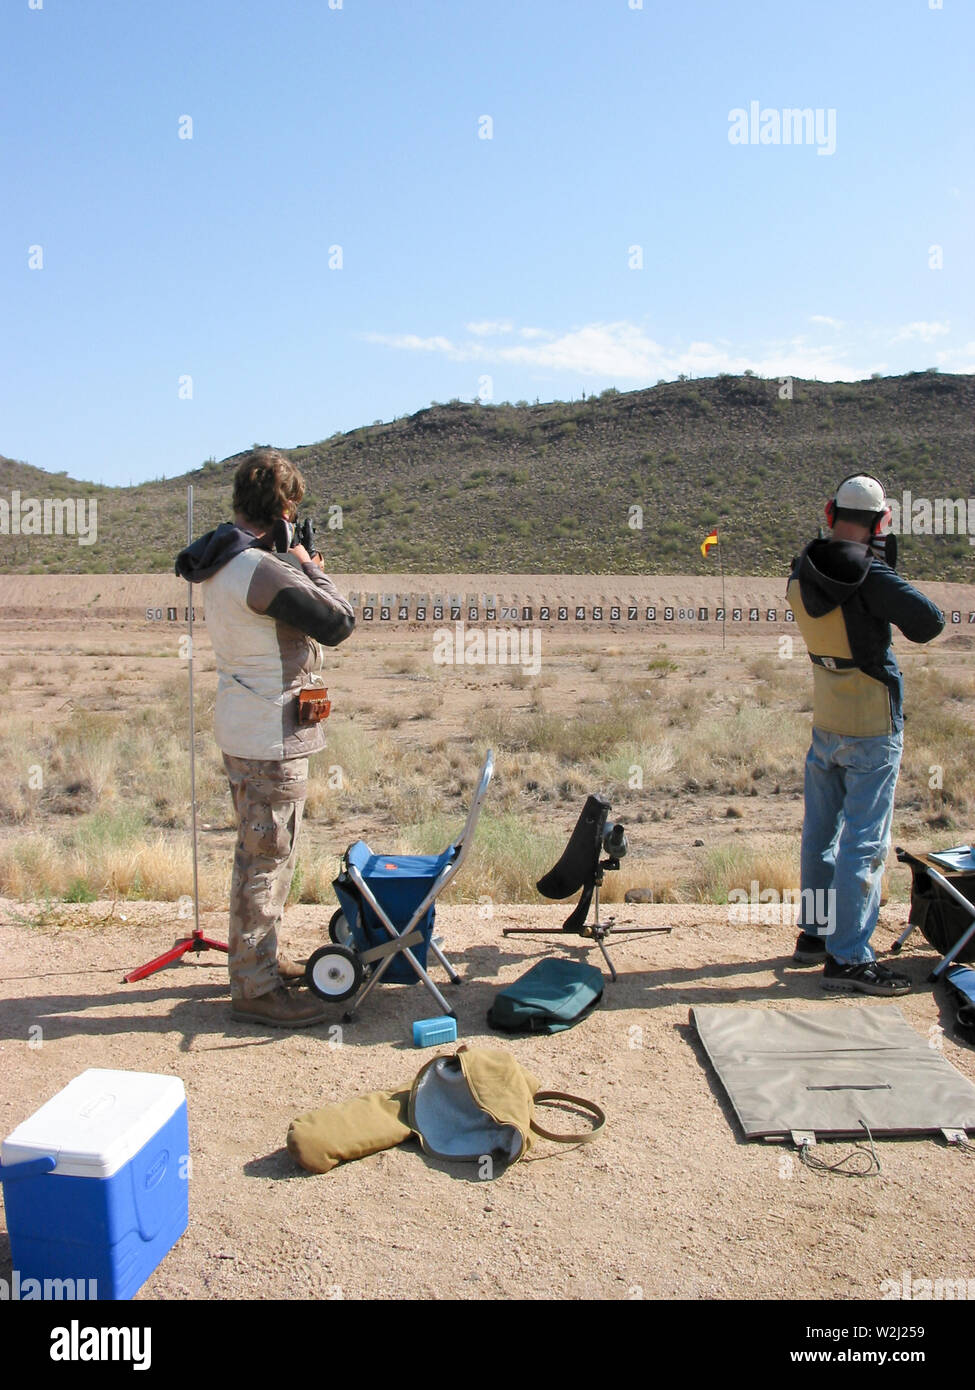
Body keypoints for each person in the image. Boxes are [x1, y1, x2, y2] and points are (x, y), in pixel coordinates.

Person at [175, 448, 355, 1026]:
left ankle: (260, 963)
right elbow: (339, 621)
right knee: (267, 861)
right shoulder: (265, 569)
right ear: (283, 508)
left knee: (257, 855)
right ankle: (254, 989)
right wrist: (309, 562)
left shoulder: (221, 559)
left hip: (242, 726)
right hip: (269, 738)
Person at [786, 473, 944, 995]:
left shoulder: (801, 569)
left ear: (830, 514)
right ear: (882, 523)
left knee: (820, 834)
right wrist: (885, 576)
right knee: (865, 842)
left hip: (827, 720)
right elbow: (929, 622)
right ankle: (849, 956)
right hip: (873, 723)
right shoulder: (872, 576)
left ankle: (815, 934)